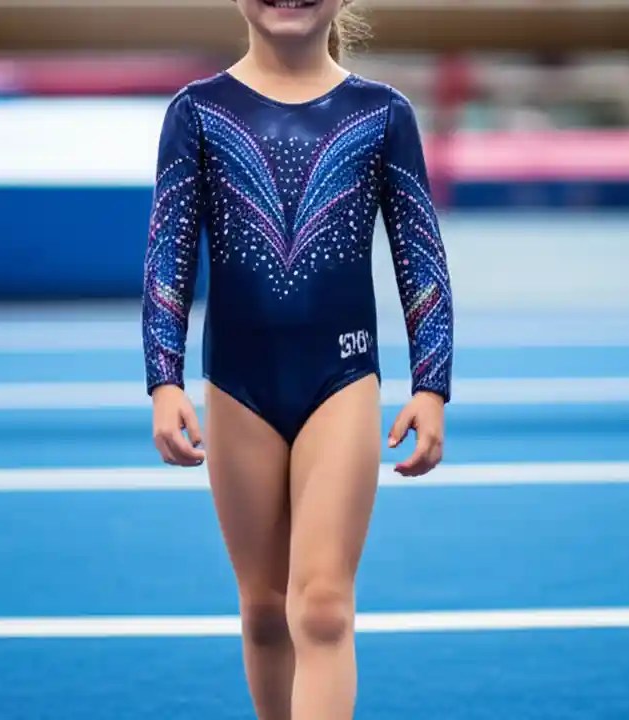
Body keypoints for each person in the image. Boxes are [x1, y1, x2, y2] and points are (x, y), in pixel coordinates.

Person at [141, 1, 454, 717]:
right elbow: (169, 255)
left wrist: (430, 383)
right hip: (239, 387)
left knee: (320, 608)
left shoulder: (381, 113)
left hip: (340, 377)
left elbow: (421, 256)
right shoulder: (198, 112)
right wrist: (164, 378)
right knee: (263, 608)